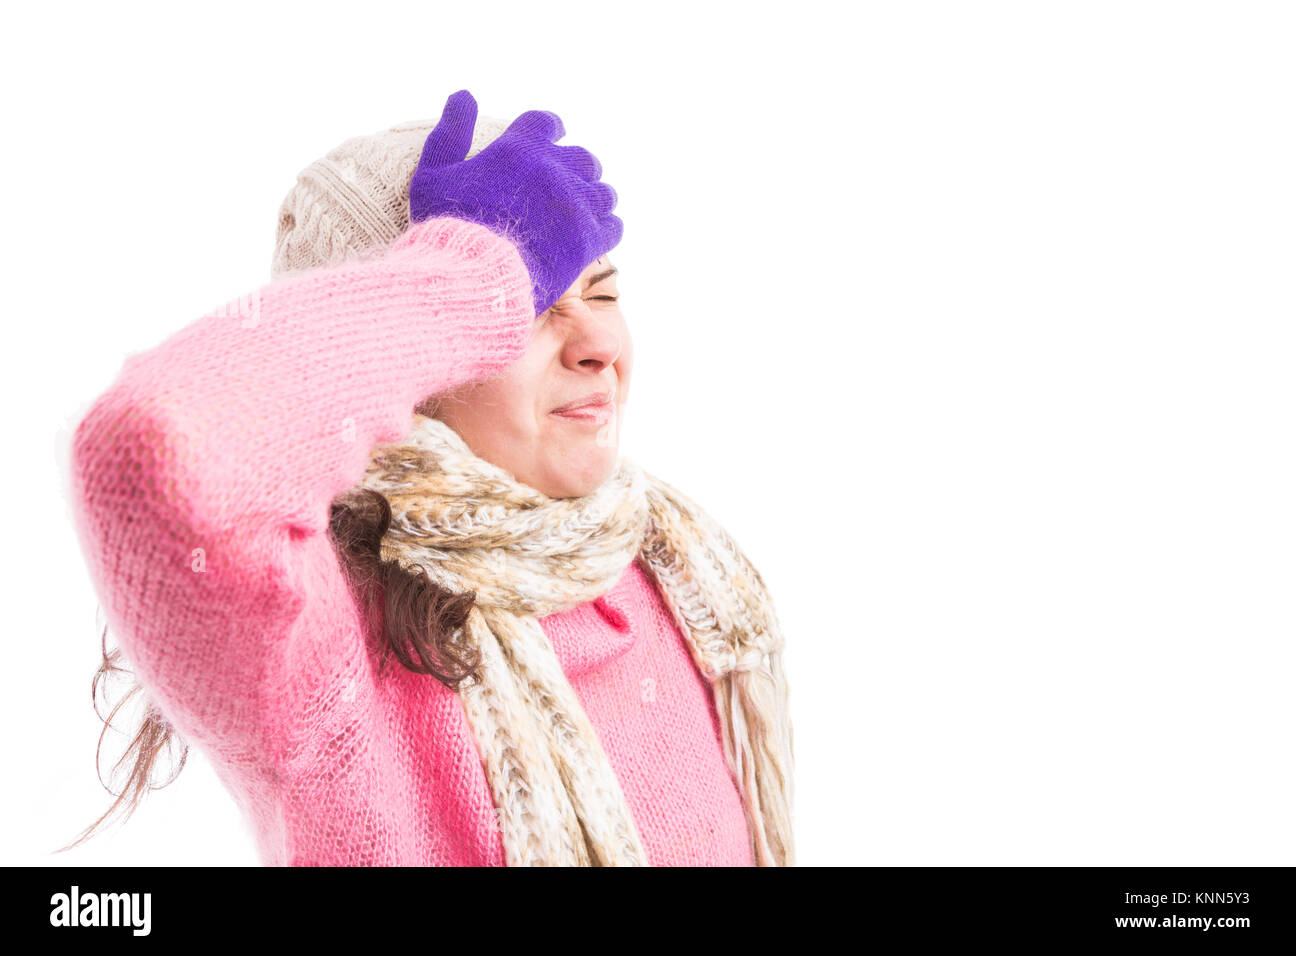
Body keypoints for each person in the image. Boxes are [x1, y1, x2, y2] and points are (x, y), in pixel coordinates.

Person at [66, 89, 794, 866]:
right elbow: (153, 442)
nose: (599, 344)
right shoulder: (316, 653)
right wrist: (466, 282)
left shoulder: (682, 574)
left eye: (604, 291)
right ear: (408, 355)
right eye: (533, 303)